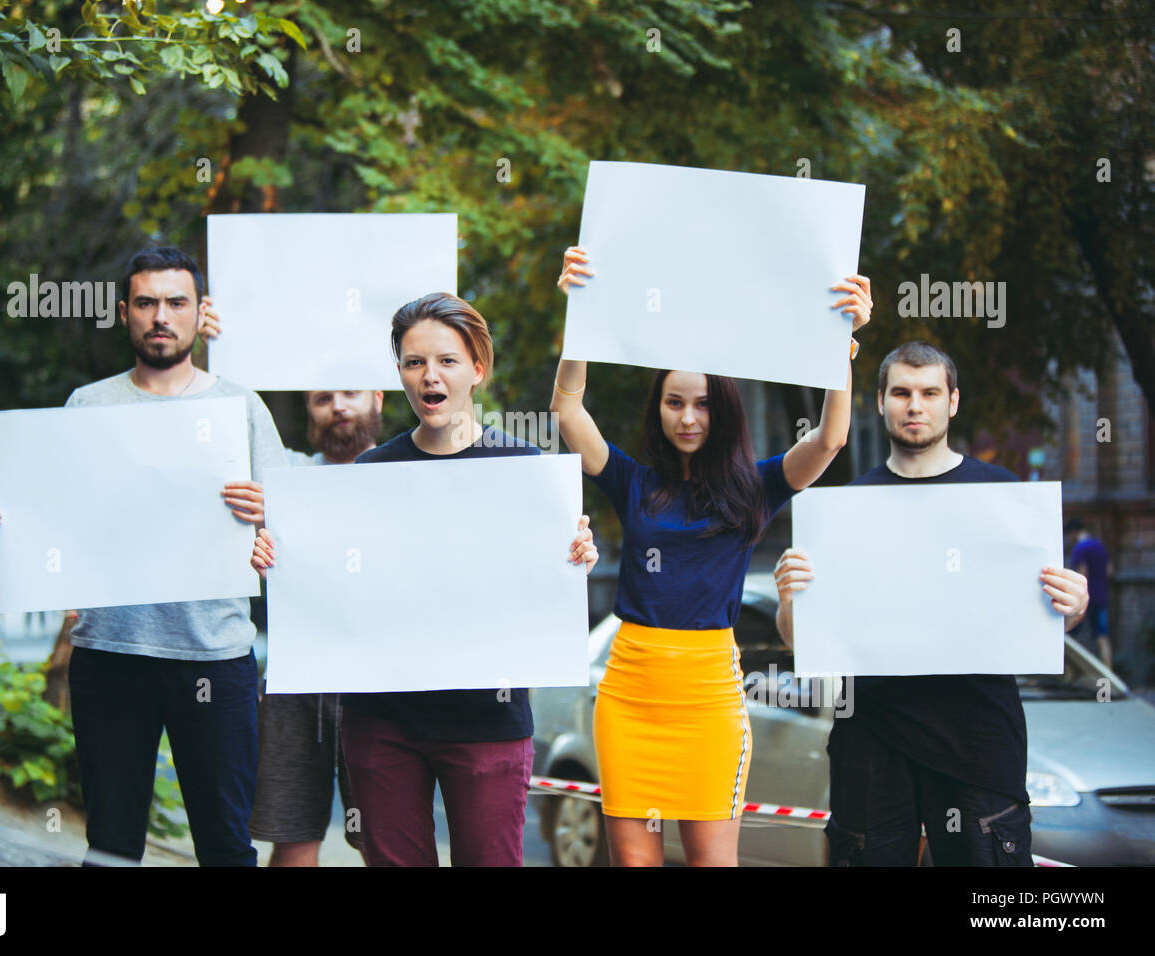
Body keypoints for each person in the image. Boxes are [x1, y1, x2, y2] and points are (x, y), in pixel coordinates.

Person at [252, 291, 599, 866]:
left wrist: (578, 552)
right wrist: (280, 559)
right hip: (383, 723)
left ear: (477, 369)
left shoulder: (527, 473)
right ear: (400, 374)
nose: (429, 376)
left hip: (488, 721)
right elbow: (338, 582)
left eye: (446, 361)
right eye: (414, 363)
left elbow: (547, 582)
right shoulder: (371, 471)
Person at [551, 246, 872, 866]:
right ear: (658, 409)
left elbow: (831, 439)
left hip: (710, 698)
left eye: (701, 404)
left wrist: (840, 353)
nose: (688, 417)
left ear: (722, 411)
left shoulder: (757, 484)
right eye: (675, 402)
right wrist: (580, 321)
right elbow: (567, 410)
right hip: (629, 694)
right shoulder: (633, 481)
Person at [0, 246, 282, 866]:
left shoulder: (240, 408)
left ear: (198, 313)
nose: (160, 316)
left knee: (225, 845)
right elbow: (52, 514)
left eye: (175, 302)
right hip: (110, 655)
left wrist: (267, 527)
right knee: (110, 847)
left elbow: (287, 525)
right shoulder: (88, 406)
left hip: (213, 658)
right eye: (145, 303)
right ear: (124, 313)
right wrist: (0, 523)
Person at [773, 340, 1090, 866]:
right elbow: (802, 640)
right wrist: (789, 601)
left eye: (928, 393)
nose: (914, 405)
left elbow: (1049, 622)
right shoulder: (842, 510)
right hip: (872, 742)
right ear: (879, 402)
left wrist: (1072, 603)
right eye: (900, 392)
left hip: (979, 745)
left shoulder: (1005, 498)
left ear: (953, 401)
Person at [199, 305, 382, 866]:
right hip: (294, 680)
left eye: (350, 393)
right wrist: (212, 350)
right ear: (309, 413)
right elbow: (218, 424)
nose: (338, 406)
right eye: (322, 399)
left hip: (383, 681)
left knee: (386, 837)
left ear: (379, 397)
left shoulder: (406, 473)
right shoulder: (283, 476)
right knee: (293, 834)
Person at [1066, 517, 1112, 668]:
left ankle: (1064, 674)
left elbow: (1082, 573)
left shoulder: (1080, 549)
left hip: (1084, 600)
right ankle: (1108, 678)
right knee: (1102, 638)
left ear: (1073, 533)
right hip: (1101, 597)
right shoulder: (1099, 546)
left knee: (1068, 636)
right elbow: (1109, 571)